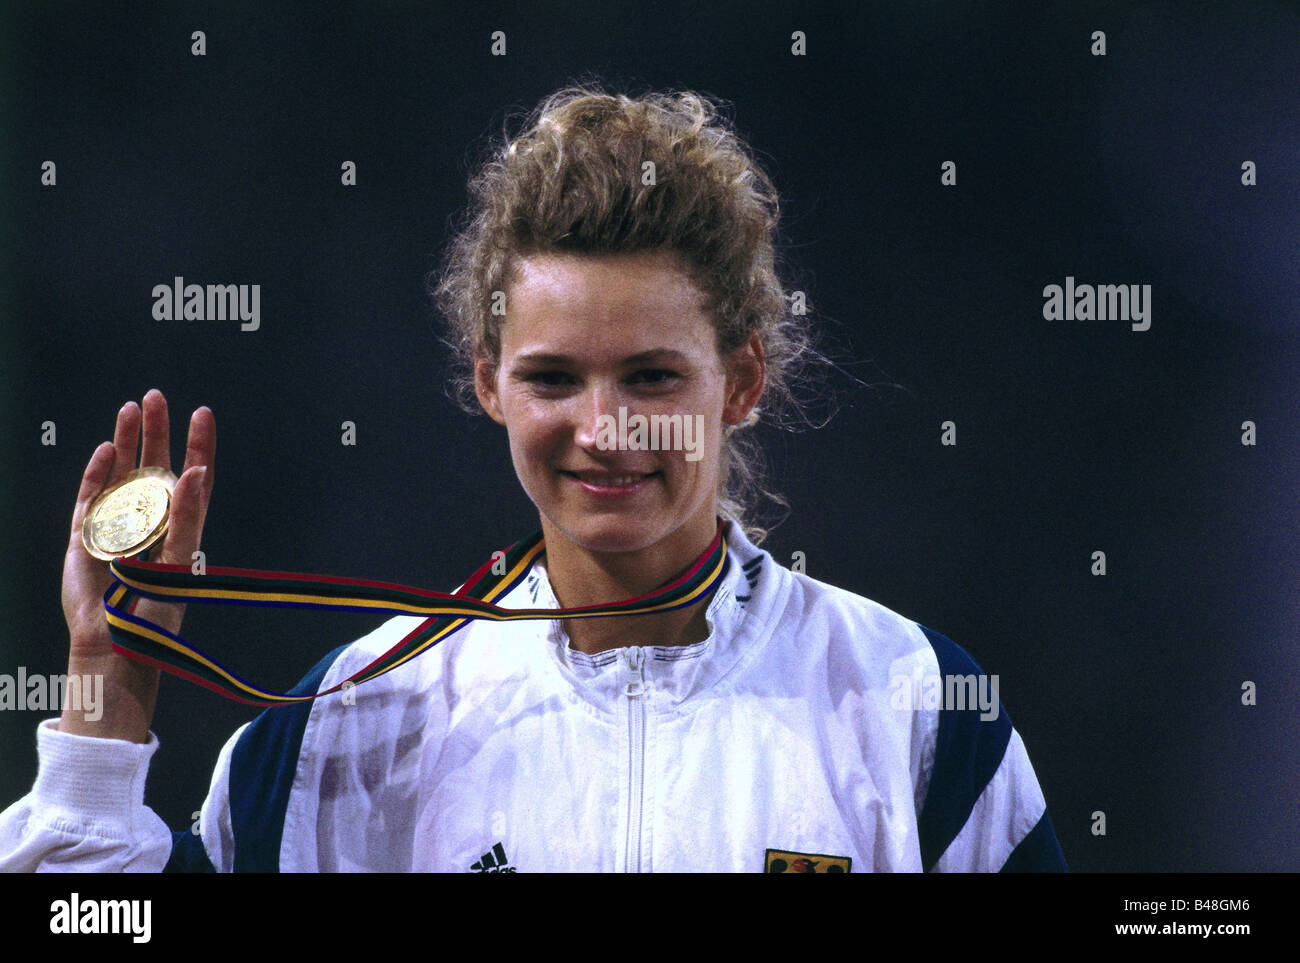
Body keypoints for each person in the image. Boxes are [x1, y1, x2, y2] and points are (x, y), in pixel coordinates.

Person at [0, 84, 1066, 872]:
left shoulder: (909, 707)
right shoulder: (347, 723)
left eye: (651, 376)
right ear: (488, 384)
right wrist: (106, 686)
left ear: (740, 380)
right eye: (553, 378)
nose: (601, 430)